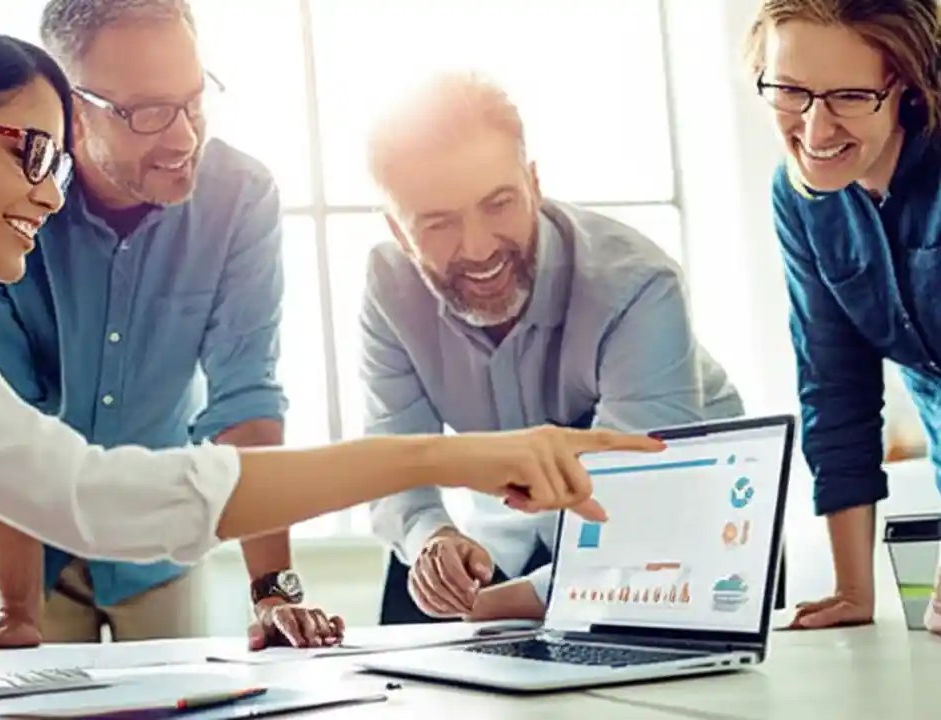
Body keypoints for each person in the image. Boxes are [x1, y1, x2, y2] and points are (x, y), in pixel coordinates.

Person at [0, 19, 664, 654]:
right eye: (34, 153)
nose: (51, 192)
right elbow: (76, 489)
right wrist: (446, 459)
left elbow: (237, 402)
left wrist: (275, 585)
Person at [0, 0, 316, 650]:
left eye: (193, 102)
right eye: (147, 113)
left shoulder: (241, 197)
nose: (185, 138)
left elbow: (244, 396)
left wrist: (273, 589)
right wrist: (18, 606)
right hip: (25, 543)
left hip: (157, 535)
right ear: (69, 108)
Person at [360, 72, 745, 624]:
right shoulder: (390, 288)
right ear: (399, 233)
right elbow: (391, 462)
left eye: (499, 204)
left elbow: (648, 505)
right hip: (515, 528)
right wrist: (431, 538)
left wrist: (515, 602)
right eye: (439, 224)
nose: (479, 248)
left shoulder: (636, 286)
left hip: (686, 520)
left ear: (534, 186)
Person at [747, 0, 941, 631]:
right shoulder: (800, 197)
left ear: (907, 88)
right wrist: (853, 590)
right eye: (791, 90)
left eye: (851, 96)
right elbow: (834, 385)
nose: (816, 129)